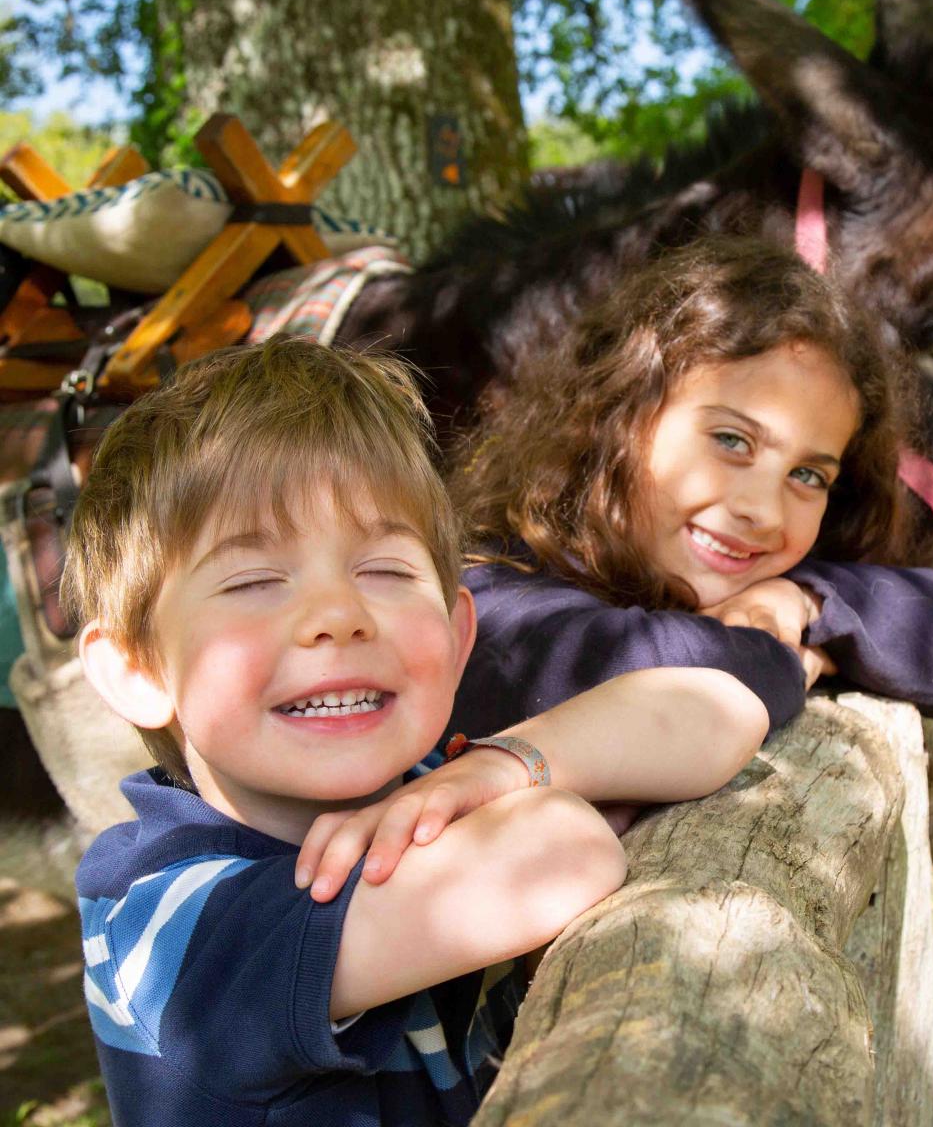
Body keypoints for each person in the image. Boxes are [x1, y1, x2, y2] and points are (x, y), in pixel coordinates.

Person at [64, 338, 775, 1127]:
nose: (339, 615)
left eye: (385, 571)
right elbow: (561, 853)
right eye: (256, 581)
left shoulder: (438, 781)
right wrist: (547, 791)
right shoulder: (168, 923)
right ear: (137, 669)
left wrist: (503, 764)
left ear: (458, 631)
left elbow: (723, 709)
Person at [297, 236, 933, 896]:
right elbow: (672, 677)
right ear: (619, 414)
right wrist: (791, 653)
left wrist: (804, 601)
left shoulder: (752, 573)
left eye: (808, 475)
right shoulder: (485, 596)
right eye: (732, 441)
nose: (763, 510)